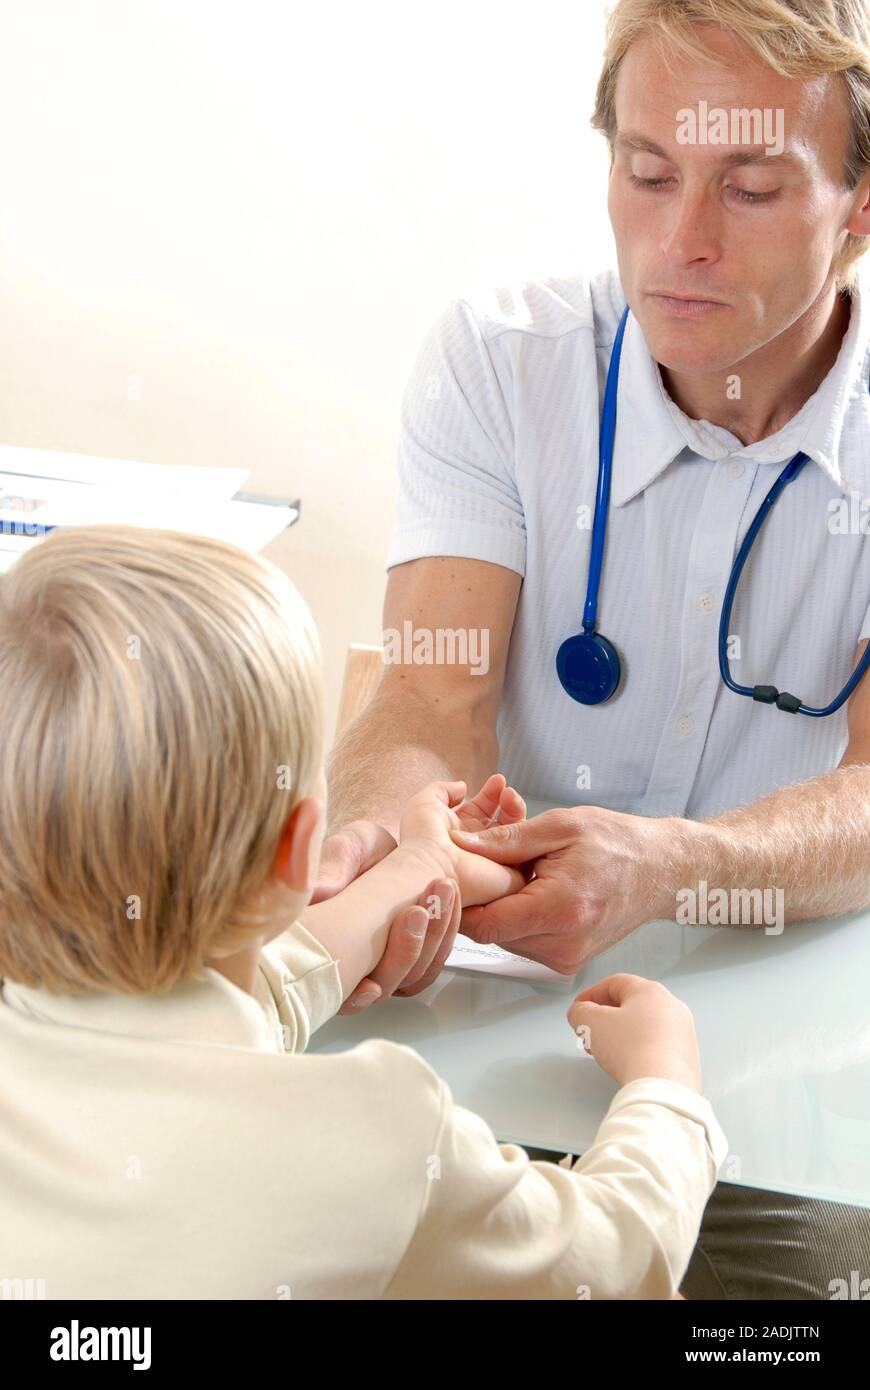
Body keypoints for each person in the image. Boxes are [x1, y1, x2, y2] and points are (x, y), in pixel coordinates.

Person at [320, 1, 870, 1298]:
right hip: (491, 1027)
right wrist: (406, 855)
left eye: (746, 186)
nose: (676, 243)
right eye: (644, 173)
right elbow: (421, 703)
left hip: (794, 1083)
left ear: (856, 212)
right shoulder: (500, 366)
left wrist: (675, 867)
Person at [0, 525, 725, 1300]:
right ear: (301, 848)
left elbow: (232, 999)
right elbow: (618, 1263)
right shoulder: (379, 1139)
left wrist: (419, 866)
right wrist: (665, 1085)